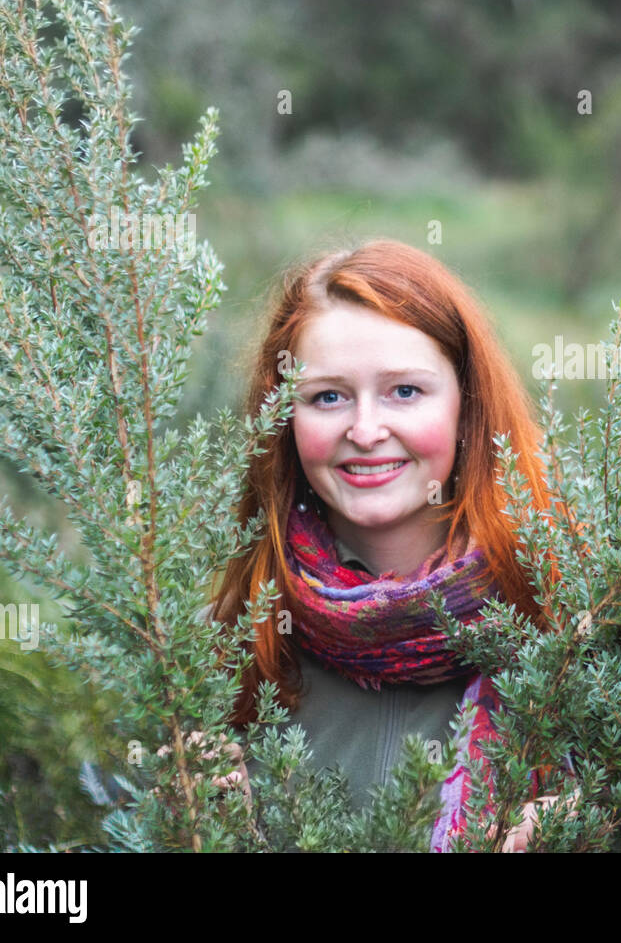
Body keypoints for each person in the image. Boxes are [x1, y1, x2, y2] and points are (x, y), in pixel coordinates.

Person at [205, 239, 571, 851]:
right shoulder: (227, 648)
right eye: (328, 396)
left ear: (468, 407)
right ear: (283, 421)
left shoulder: (571, 618)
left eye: (405, 391)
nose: (367, 431)